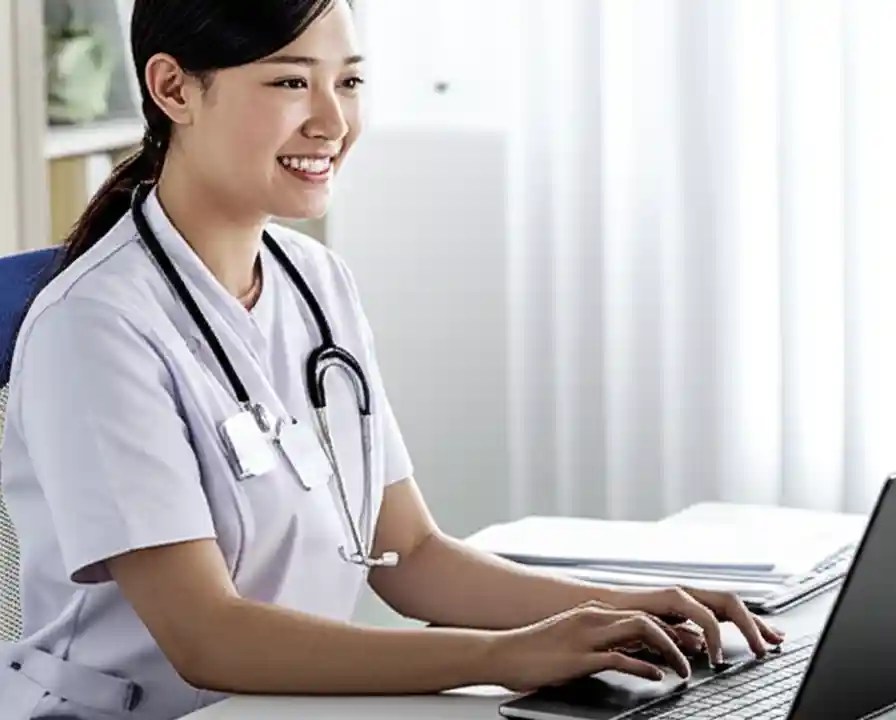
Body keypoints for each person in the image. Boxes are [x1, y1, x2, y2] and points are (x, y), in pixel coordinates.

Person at [0, 2, 783, 718]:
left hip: (285, 708)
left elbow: (409, 555)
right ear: (174, 88)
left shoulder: (316, 283)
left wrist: (629, 610)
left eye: (350, 81)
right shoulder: (94, 328)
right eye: (289, 82)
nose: (332, 120)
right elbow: (208, 638)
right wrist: (505, 655)